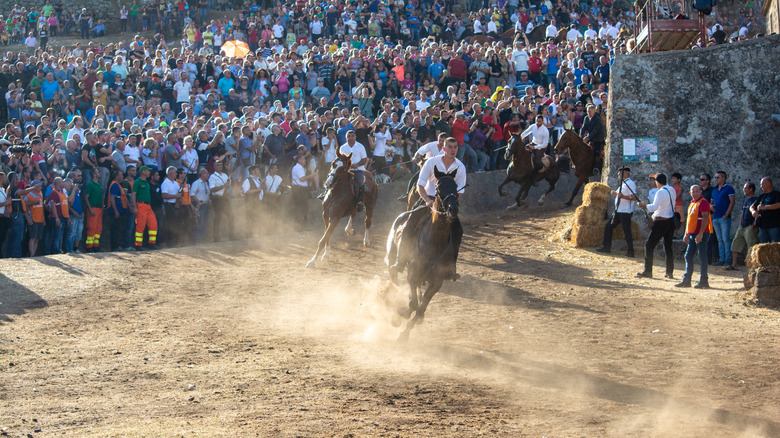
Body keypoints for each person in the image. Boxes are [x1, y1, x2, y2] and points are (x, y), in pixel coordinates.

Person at [636, 173, 676, 279]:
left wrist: (643, 205)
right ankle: (669, 271)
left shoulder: (660, 192)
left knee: (649, 245)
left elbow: (654, 207)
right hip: (670, 221)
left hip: (660, 222)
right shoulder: (672, 190)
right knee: (668, 247)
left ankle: (648, 271)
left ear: (657, 182)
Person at [676, 184, 714, 289]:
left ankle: (704, 281)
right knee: (688, 256)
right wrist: (686, 233)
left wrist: (701, 233)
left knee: (702, 256)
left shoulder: (703, 203)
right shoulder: (692, 203)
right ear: (690, 193)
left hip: (701, 234)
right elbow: (690, 220)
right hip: (693, 234)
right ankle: (687, 280)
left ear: (700, 192)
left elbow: (705, 218)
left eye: (697, 191)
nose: (695, 193)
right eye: (693, 191)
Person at [598, 167, 637, 257]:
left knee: (627, 231)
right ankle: (606, 248)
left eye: (620, 174)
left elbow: (634, 197)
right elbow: (620, 194)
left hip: (625, 211)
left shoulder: (630, 183)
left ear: (626, 174)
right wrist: (615, 193)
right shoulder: (623, 184)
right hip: (618, 211)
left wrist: (623, 196)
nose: (619, 175)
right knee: (608, 227)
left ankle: (631, 252)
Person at [726, 182, 759, 271]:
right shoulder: (745, 200)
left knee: (751, 246)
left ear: (751, 189)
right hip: (742, 226)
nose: (744, 190)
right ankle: (734, 264)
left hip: (750, 226)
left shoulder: (756, 200)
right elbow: (743, 213)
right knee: (735, 244)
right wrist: (740, 223)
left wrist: (753, 224)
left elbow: (758, 213)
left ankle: (752, 266)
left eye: (745, 188)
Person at [709, 171, 736, 266]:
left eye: (718, 177)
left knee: (725, 239)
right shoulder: (714, 190)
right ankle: (722, 259)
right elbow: (711, 202)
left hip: (724, 217)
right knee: (720, 239)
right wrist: (710, 207)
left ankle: (727, 260)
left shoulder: (729, 189)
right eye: (715, 177)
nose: (716, 179)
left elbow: (732, 202)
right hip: (716, 217)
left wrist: (727, 214)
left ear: (723, 178)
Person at [338, 130, 367, 212]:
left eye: (352, 136)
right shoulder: (342, 148)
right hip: (347, 170)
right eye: (349, 136)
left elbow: (365, 159)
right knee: (335, 179)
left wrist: (357, 165)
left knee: (360, 182)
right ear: (346, 137)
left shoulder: (360, 146)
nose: (350, 138)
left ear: (355, 137)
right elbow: (340, 160)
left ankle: (360, 202)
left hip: (358, 170)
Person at [133, 166, 158, 250]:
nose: (149, 172)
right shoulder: (137, 182)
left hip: (148, 206)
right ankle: (138, 245)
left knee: (153, 224)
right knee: (140, 225)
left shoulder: (146, 182)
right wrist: (135, 207)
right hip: (141, 205)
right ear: (143, 172)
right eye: (148, 171)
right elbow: (133, 195)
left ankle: (152, 243)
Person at [209, 159, 235, 241]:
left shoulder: (225, 175)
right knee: (218, 217)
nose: (220, 166)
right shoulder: (212, 177)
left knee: (231, 216)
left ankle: (231, 235)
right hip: (217, 198)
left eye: (220, 165)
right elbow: (212, 189)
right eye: (217, 165)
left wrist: (232, 178)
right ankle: (216, 237)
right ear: (214, 167)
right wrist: (224, 186)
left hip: (225, 198)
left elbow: (230, 185)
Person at [750, 177, 780, 243]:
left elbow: (778, 205)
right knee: (764, 247)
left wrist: (765, 207)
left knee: (775, 247)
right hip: (762, 226)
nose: (761, 186)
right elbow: (752, 206)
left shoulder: (776, 194)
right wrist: (753, 211)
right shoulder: (762, 196)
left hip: (774, 226)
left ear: (769, 183)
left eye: (762, 184)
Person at [47, 177, 70, 255]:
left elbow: (66, 206)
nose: (64, 183)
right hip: (57, 218)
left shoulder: (63, 193)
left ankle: (59, 250)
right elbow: (53, 206)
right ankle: (55, 251)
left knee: (60, 236)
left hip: (63, 217)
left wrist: (68, 218)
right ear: (58, 183)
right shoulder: (54, 193)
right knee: (56, 236)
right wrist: (57, 218)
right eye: (62, 182)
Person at [161, 166, 182, 247]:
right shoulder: (165, 183)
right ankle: (170, 242)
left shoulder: (175, 183)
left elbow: (179, 194)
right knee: (170, 224)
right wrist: (176, 196)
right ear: (170, 174)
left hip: (175, 205)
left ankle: (175, 241)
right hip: (169, 205)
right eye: (175, 173)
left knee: (175, 223)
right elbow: (164, 195)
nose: (176, 174)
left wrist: (180, 195)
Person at [22, 180, 45, 257]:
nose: (41, 188)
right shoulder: (28, 196)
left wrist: (44, 219)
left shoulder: (40, 194)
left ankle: (34, 254)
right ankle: (31, 254)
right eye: (39, 186)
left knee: (37, 238)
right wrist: (28, 219)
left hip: (40, 219)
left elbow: (42, 208)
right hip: (33, 219)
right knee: (32, 237)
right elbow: (24, 207)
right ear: (35, 187)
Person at [108, 170, 130, 251]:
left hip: (119, 211)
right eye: (121, 175)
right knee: (115, 229)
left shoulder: (118, 185)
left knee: (118, 229)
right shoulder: (114, 185)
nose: (122, 177)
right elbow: (112, 198)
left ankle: (117, 246)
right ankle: (115, 247)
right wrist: (116, 210)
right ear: (116, 176)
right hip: (115, 212)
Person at [83, 168, 103, 252]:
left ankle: (96, 245)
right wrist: (90, 209)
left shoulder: (99, 184)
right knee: (92, 228)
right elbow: (86, 197)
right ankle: (89, 246)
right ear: (94, 174)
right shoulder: (90, 184)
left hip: (99, 208)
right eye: (98, 172)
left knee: (98, 228)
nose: (100, 173)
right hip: (93, 208)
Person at [242, 165, 264, 236]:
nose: (258, 171)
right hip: (251, 202)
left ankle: (257, 232)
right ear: (252, 171)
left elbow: (264, 188)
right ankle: (250, 233)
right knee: (251, 218)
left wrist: (263, 183)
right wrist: (257, 190)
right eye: (257, 170)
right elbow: (247, 192)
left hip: (259, 201)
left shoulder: (259, 180)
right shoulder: (247, 180)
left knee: (258, 217)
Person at [190, 168, 211, 244]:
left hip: (205, 204)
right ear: (202, 174)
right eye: (206, 173)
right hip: (199, 205)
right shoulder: (196, 183)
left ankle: (202, 238)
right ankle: (197, 239)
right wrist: (198, 202)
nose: (208, 175)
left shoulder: (206, 183)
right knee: (199, 222)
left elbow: (207, 193)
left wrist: (208, 200)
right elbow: (192, 194)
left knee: (205, 223)